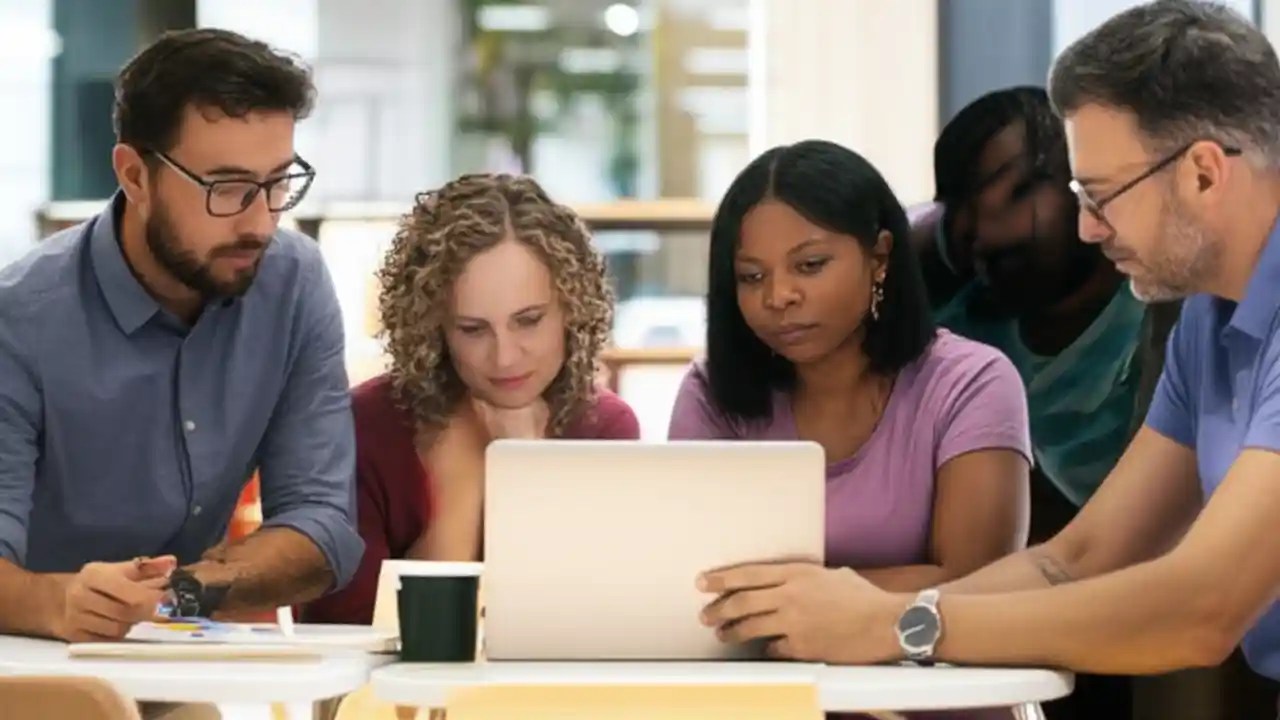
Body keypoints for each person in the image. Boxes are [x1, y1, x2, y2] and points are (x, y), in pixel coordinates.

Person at [695, 2, 1280, 717]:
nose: (1088, 230)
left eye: (1101, 197)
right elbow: (1075, 559)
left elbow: (1202, 609)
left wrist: (898, 625)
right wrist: (864, 621)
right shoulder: (1207, 319)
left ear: (1204, 174)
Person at [0, 26, 362, 658]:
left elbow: (322, 525)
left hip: (177, 654)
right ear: (135, 175)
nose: (260, 222)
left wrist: (181, 593)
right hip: (30, 665)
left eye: (278, 183)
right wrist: (60, 603)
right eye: (227, 188)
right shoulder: (20, 320)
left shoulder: (293, 284)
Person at [668, 139, 1032, 718]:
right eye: (751, 276)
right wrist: (873, 590)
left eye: (810, 265)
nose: (778, 296)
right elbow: (692, 586)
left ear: (880, 256)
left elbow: (978, 583)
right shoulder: (711, 393)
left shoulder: (972, 382)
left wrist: (796, 600)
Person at [910, 86, 1179, 719]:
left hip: (1146, 597)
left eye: (1015, 193)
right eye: (962, 208)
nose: (982, 232)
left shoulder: (1159, 304)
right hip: (1017, 600)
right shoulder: (958, 333)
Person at [302, 173, 640, 625]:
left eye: (529, 320)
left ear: (571, 308)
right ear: (434, 327)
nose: (505, 357)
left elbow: (596, 623)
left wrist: (522, 471)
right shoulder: (364, 427)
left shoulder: (604, 427)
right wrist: (458, 488)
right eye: (473, 329)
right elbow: (353, 636)